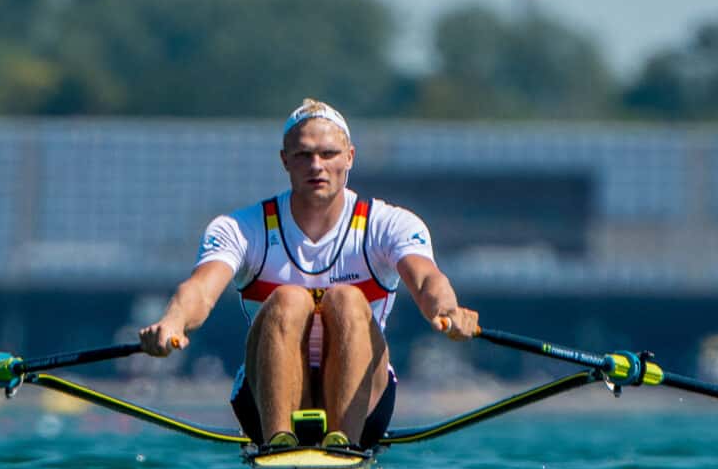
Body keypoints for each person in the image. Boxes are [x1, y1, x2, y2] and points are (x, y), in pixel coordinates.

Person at [139, 100, 480, 450]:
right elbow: (200, 289)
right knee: (289, 298)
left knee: (345, 298)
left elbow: (427, 281)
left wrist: (448, 312)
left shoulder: (389, 224)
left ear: (350, 157)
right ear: (285, 160)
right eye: (303, 155)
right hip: (263, 401)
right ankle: (278, 443)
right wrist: (173, 322)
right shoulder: (242, 228)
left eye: (329, 154)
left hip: (367, 402)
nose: (317, 166)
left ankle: (344, 444)